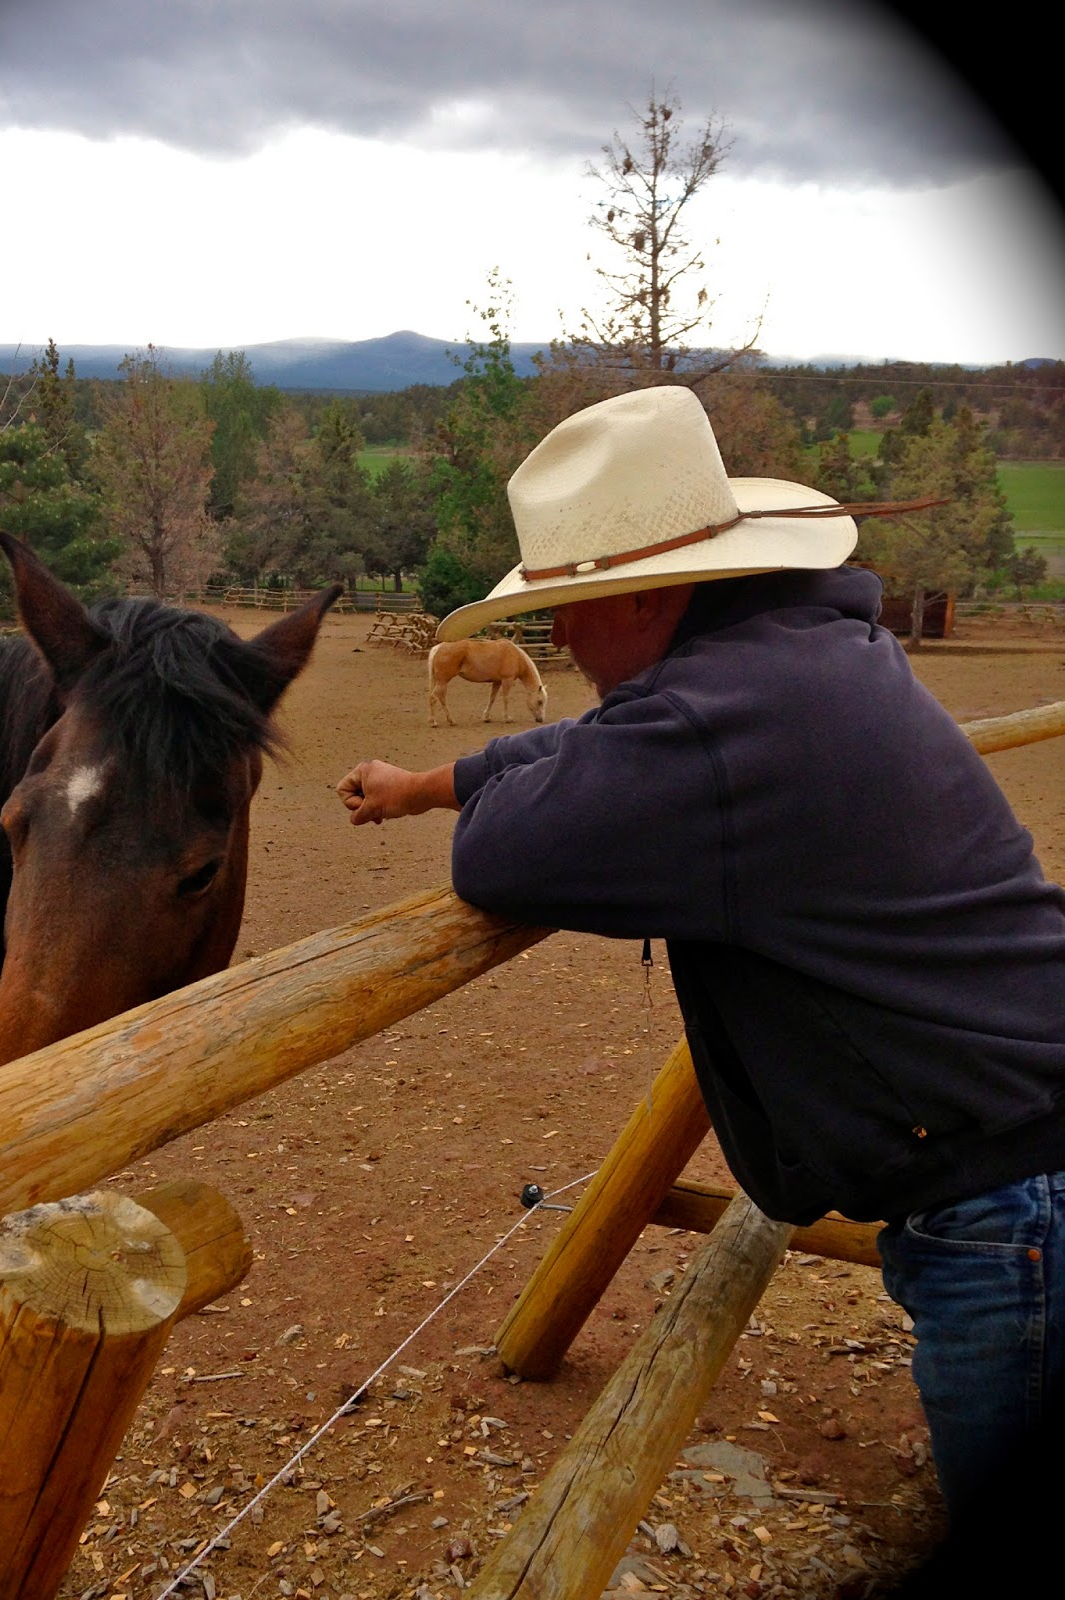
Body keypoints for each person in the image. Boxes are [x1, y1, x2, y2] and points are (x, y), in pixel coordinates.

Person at [336, 385, 1065, 1528]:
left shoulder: (716, 725)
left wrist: (466, 804)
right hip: (1014, 1159)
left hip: (1003, 1204)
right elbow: (593, 743)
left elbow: (507, 854)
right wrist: (428, 782)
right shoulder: (793, 657)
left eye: (577, 602)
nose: (556, 633)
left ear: (658, 594)